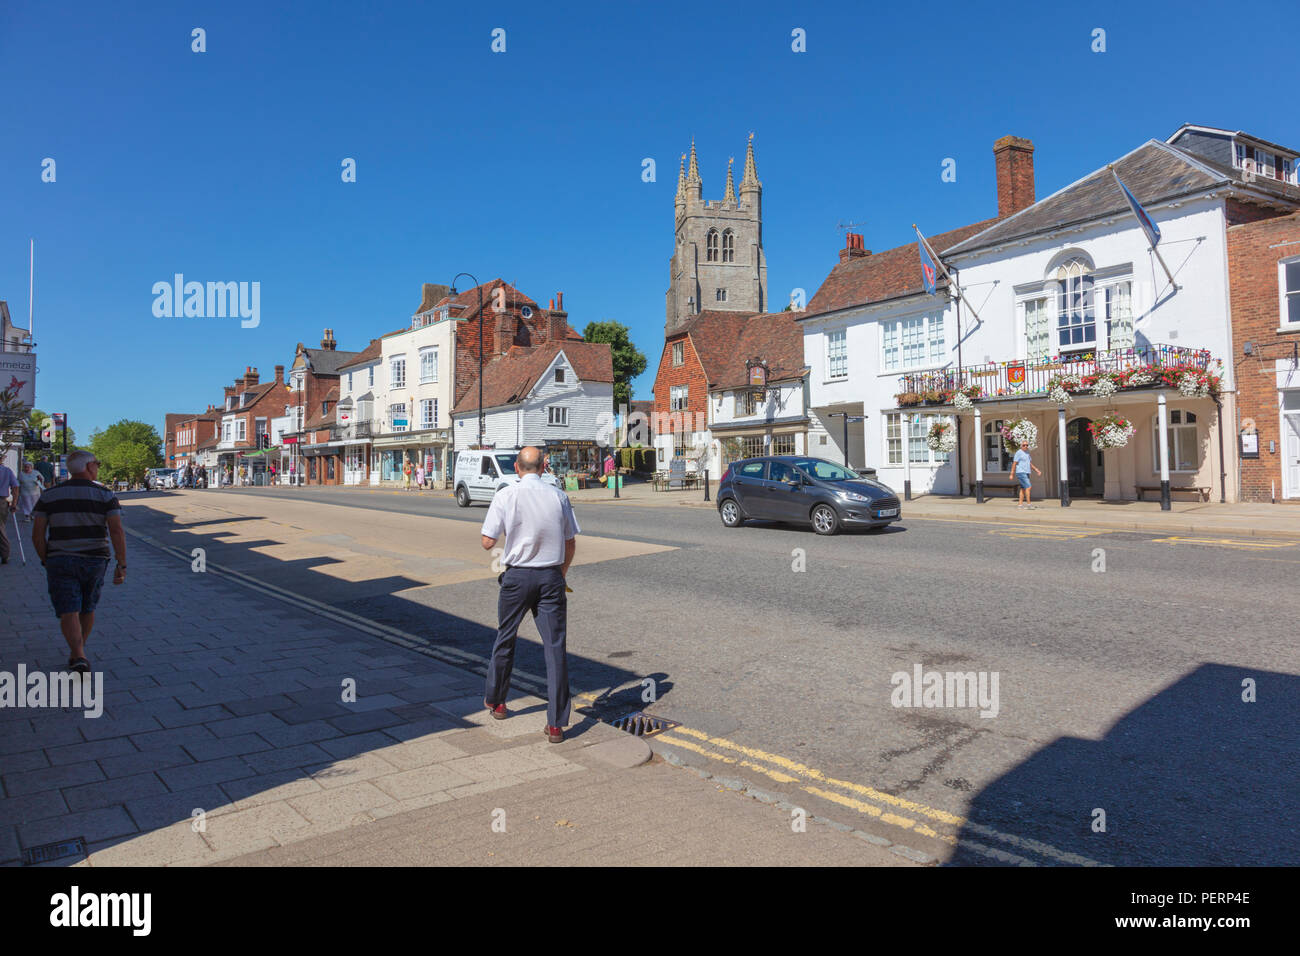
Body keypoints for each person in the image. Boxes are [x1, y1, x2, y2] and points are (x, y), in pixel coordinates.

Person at [479, 446, 580, 743]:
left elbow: (487, 542)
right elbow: (570, 542)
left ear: (517, 467)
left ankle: (497, 701)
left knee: (506, 636)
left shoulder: (506, 495)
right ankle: (557, 724)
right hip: (550, 576)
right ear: (543, 466)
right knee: (555, 647)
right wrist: (559, 575)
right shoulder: (559, 496)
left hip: (517, 577)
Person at [30, 451, 127, 672]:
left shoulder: (49, 495)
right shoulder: (105, 495)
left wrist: (46, 559)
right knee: (87, 607)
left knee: (68, 609)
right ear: (90, 466)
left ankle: (77, 653)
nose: (98, 468)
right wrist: (121, 564)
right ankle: (79, 653)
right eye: (98, 464)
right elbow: (116, 531)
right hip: (95, 558)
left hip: (60, 559)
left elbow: (37, 535)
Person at [1011, 440, 1042, 509]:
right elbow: (1014, 463)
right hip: (1021, 472)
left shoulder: (1027, 452)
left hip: (1027, 472)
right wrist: (1012, 473)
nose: (1025, 446)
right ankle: (1029, 505)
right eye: (1024, 445)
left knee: (1023, 489)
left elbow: (1029, 463)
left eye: (1027, 445)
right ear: (1021, 446)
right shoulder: (1018, 453)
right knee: (1028, 487)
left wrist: (1036, 470)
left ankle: (1020, 505)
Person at [0, 459, 19, 564]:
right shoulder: (7, 471)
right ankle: (5, 554)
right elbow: (15, 487)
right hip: (1, 502)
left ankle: (4, 553)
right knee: (1, 527)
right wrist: (14, 503)